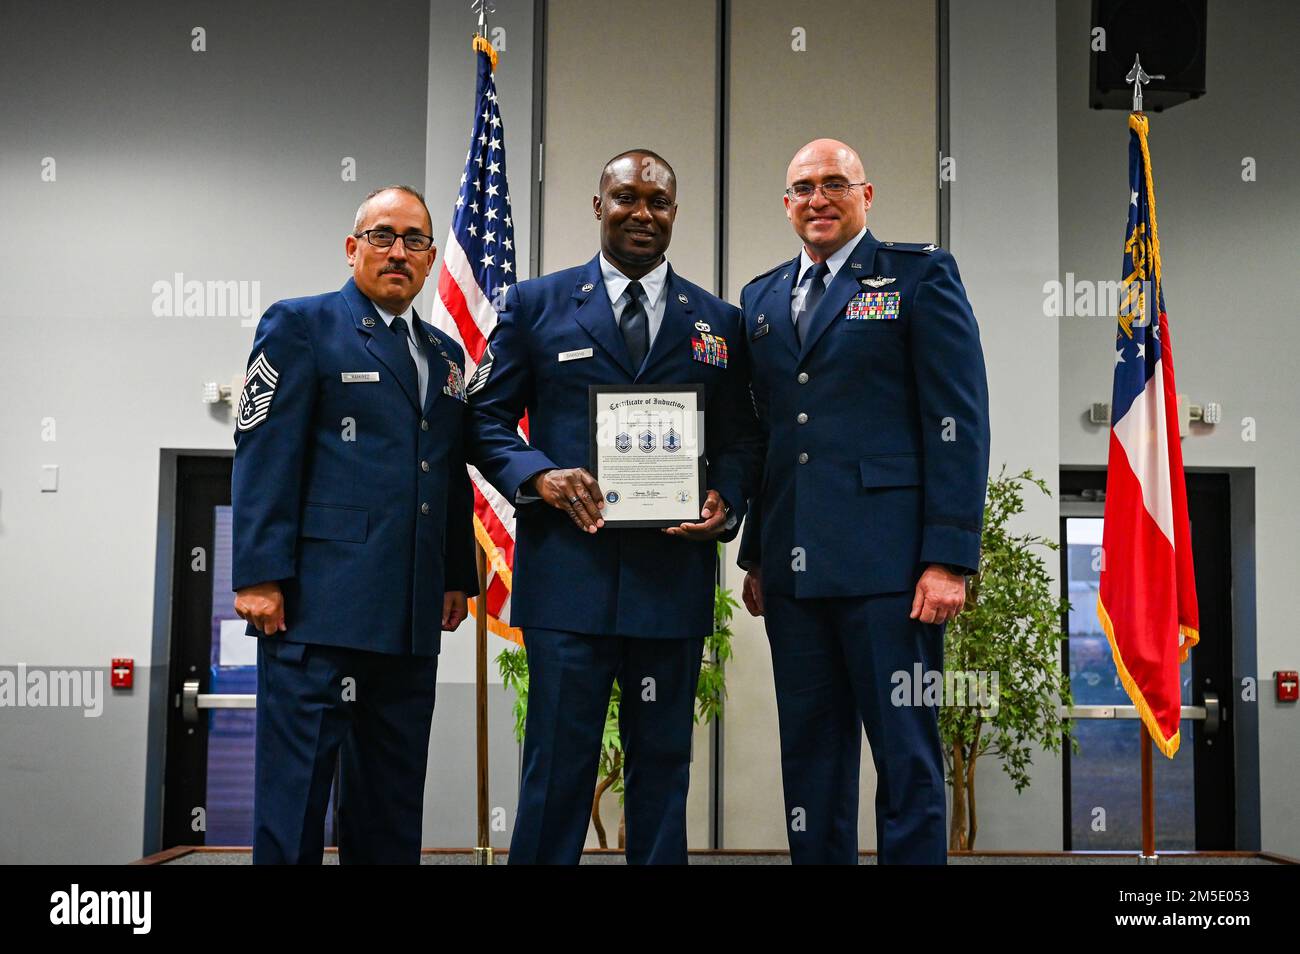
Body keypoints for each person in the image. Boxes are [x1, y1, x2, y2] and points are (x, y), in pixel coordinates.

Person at [467, 149, 762, 864]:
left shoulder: (718, 321)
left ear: (674, 214)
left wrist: (725, 501)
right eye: (626, 198)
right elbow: (484, 419)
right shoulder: (535, 305)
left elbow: (744, 439)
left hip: (671, 585)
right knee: (556, 771)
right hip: (569, 586)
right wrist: (538, 477)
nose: (642, 213)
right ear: (598, 206)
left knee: (663, 771)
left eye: (658, 202)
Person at [737, 139, 990, 864]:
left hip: (894, 573)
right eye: (803, 188)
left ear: (866, 195)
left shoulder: (918, 276)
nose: (818, 198)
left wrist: (948, 558)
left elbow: (960, 420)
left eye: (834, 184)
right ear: (787, 205)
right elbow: (767, 439)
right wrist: (756, 552)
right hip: (794, 573)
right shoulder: (759, 298)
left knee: (907, 760)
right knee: (810, 766)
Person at [231, 185, 477, 864]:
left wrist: (455, 575)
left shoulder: (448, 355)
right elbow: (263, 448)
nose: (399, 252)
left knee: (391, 807)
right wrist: (258, 573)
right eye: (383, 236)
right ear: (352, 248)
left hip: (407, 622)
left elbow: (448, 469)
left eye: (414, 240)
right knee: (295, 803)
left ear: (430, 259)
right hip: (314, 613)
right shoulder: (302, 325)